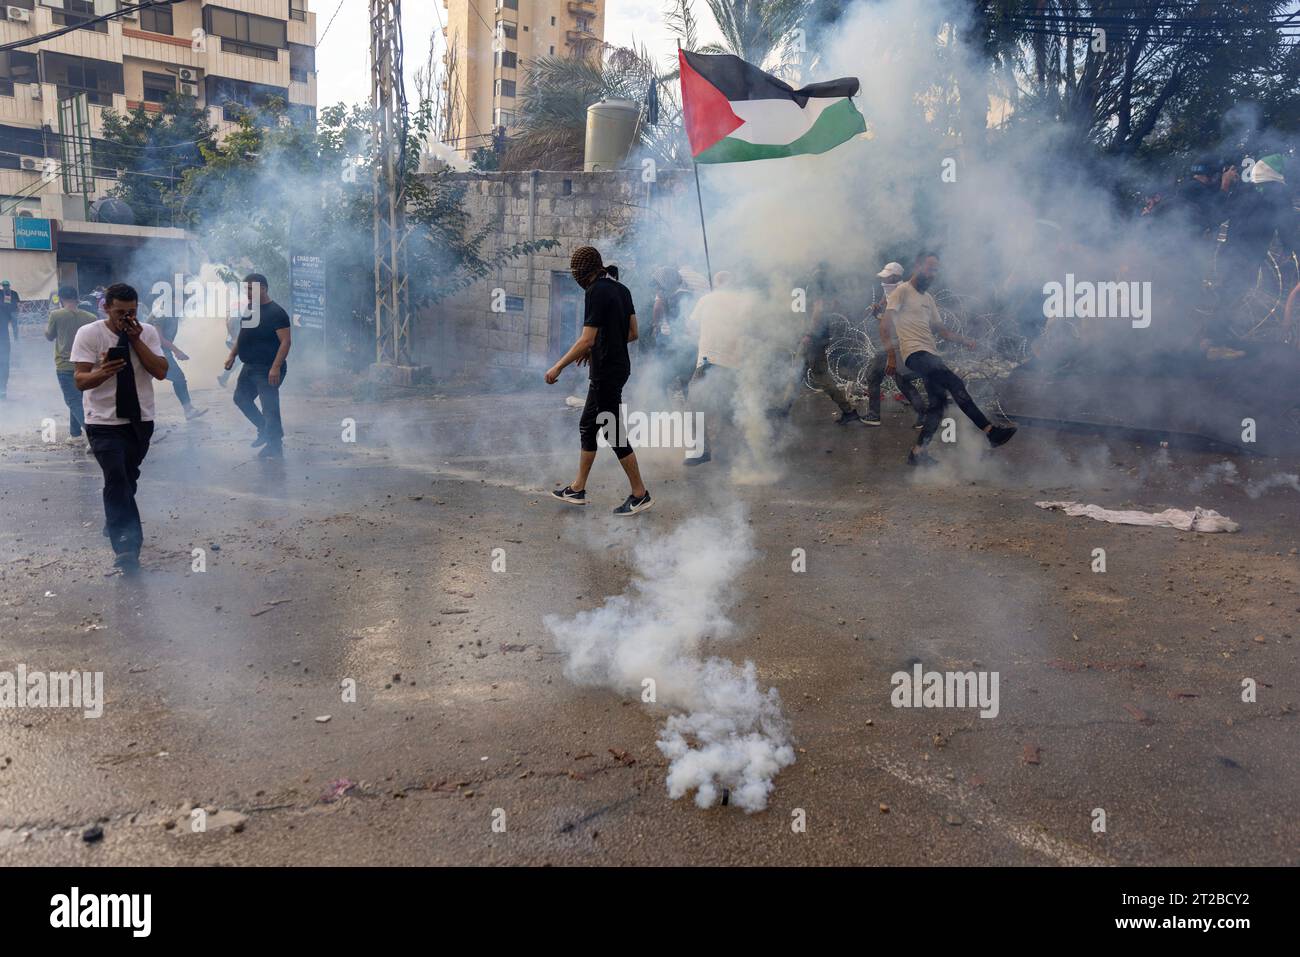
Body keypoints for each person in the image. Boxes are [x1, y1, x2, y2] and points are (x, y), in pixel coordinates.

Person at [545, 246, 652, 515]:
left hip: (606, 370)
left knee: (612, 431)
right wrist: (598, 349)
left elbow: (586, 338)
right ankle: (577, 488)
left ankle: (639, 494)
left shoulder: (595, 291)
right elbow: (633, 333)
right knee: (588, 426)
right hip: (617, 366)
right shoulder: (622, 290)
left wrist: (558, 366)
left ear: (584, 271)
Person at [882, 252, 1016, 467]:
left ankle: (917, 454)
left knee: (938, 405)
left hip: (930, 353)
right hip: (915, 354)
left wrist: (965, 340)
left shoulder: (927, 299)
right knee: (955, 383)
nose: (933, 273)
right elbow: (885, 325)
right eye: (929, 267)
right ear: (917, 266)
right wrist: (891, 357)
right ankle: (990, 432)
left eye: (936, 270)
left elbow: (941, 331)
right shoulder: (902, 291)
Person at [70, 283, 169, 571]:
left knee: (128, 477)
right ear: (105, 308)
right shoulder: (89, 333)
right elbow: (79, 380)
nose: (126, 317)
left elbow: (161, 372)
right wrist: (103, 372)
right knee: (116, 478)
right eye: (120, 312)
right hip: (102, 420)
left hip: (140, 419)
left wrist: (136, 340)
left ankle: (114, 515)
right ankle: (126, 546)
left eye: (132, 311)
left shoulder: (147, 332)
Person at [225, 273, 291, 458]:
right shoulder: (250, 310)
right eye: (245, 289)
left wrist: (276, 367)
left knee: (269, 406)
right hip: (249, 367)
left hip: (268, 368)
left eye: (251, 289)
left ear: (263, 288)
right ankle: (265, 430)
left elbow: (285, 342)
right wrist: (232, 355)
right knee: (240, 398)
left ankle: (274, 445)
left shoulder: (276, 313)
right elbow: (243, 335)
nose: (247, 293)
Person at [683, 271, 745, 466]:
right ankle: (729, 451)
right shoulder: (743, 302)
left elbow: (689, 326)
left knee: (694, 406)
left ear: (716, 284)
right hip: (735, 363)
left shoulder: (706, 299)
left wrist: (701, 339)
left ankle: (702, 450)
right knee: (728, 407)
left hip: (708, 361)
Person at [862, 261, 927, 428]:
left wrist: (891, 357)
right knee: (901, 380)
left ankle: (874, 415)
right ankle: (923, 414)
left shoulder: (901, 294)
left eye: (888, 276)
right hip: (894, 342)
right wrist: (878, 309)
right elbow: (886, 312)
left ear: (896, 276)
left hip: (893, 343)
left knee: (875, 376)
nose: (884, 280)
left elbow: (890, 325)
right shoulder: (894, 291)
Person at [800, 264, 863, 424]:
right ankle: (784, 408)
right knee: (797, 372)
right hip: (820, 338)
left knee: (820, 375)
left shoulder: (818, 290)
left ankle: (848, 410)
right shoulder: (829, 291)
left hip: (814, 339)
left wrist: (809, 334)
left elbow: (818, 312)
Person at [44, 285, 96, 445]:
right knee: (79, 399)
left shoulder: (56, 315)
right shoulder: (91, 317)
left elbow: (50, 336)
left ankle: (95, 436)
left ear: (60, 299)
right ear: (77, 298)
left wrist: (45, 329)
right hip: (87, 365)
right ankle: (75, 435)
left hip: (65, 365)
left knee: (73, 400)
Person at [149, 287, 207, 421]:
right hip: (154, 352)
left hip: (157, 352)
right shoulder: (161, 313)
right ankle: (189, 410)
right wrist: (177, 351)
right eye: (182, 300)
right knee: (179, 378)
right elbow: (159, 338)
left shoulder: (172, 313)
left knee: (142, 382)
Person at [0, 280, 20, 399]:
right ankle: (2, 389)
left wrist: (16, 334)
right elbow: (14, 316)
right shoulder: (9, 296)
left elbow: (14, 314)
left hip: (4, 337)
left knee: (4, 363)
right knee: (4, 363)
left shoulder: (14, 294)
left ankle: (2, 389)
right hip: (4, 337)